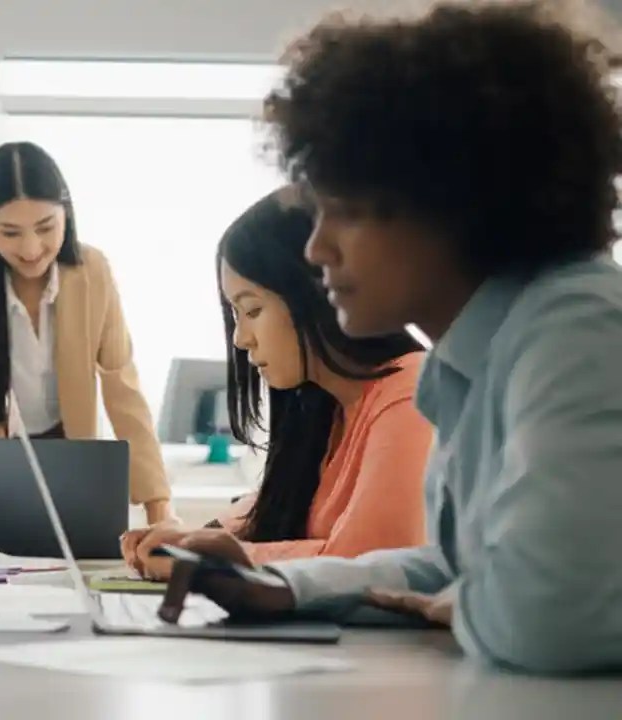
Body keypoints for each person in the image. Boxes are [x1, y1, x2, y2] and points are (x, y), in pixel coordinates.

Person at [139, 0, 622, 674]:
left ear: (453, 202)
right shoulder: (475, 360)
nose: (317, 249)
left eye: (346, 212)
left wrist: (468, 601)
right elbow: (445, 566)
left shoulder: (579, 330)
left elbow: (549, 616)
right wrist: (279, 586)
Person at [122, 188, 431, 570]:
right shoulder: (323, 404)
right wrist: (183, 540)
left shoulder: (409, 391)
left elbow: (367, 561)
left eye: (252, 309)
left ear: (314, 291)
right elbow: (265, 510)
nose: (240, 338)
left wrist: (210, 560)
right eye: (235, 314)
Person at [0, 141, 173, 525]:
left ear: (67, 215)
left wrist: (159, 508)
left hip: (71, 456)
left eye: (45, 227)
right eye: (10, 233)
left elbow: (122, 389)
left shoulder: (93, 274)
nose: (31, 249)